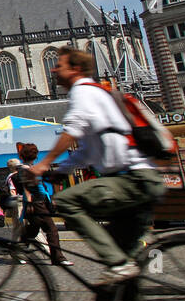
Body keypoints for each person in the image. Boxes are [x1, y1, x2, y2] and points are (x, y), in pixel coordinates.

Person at [28, 46, 165, 288]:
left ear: (76, 70)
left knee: (68, 202)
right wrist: (62, 170)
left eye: (59, 65)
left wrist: (44, 164)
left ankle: (119, 268)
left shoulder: (83, 92)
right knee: (122, 251)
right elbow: (88, 151)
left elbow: (73, 131)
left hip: (132, 178)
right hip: (142, 178)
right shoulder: (97, 93)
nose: (53, 69)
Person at [14, 143, 70, 267]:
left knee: (33, 230)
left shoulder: (28, 167)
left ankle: (17, 251)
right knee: (51, 229)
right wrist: (29, 202)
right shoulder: (24, 169)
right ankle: (58, 258)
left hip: (38, 200)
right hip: (36, 202)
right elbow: (26, 187)